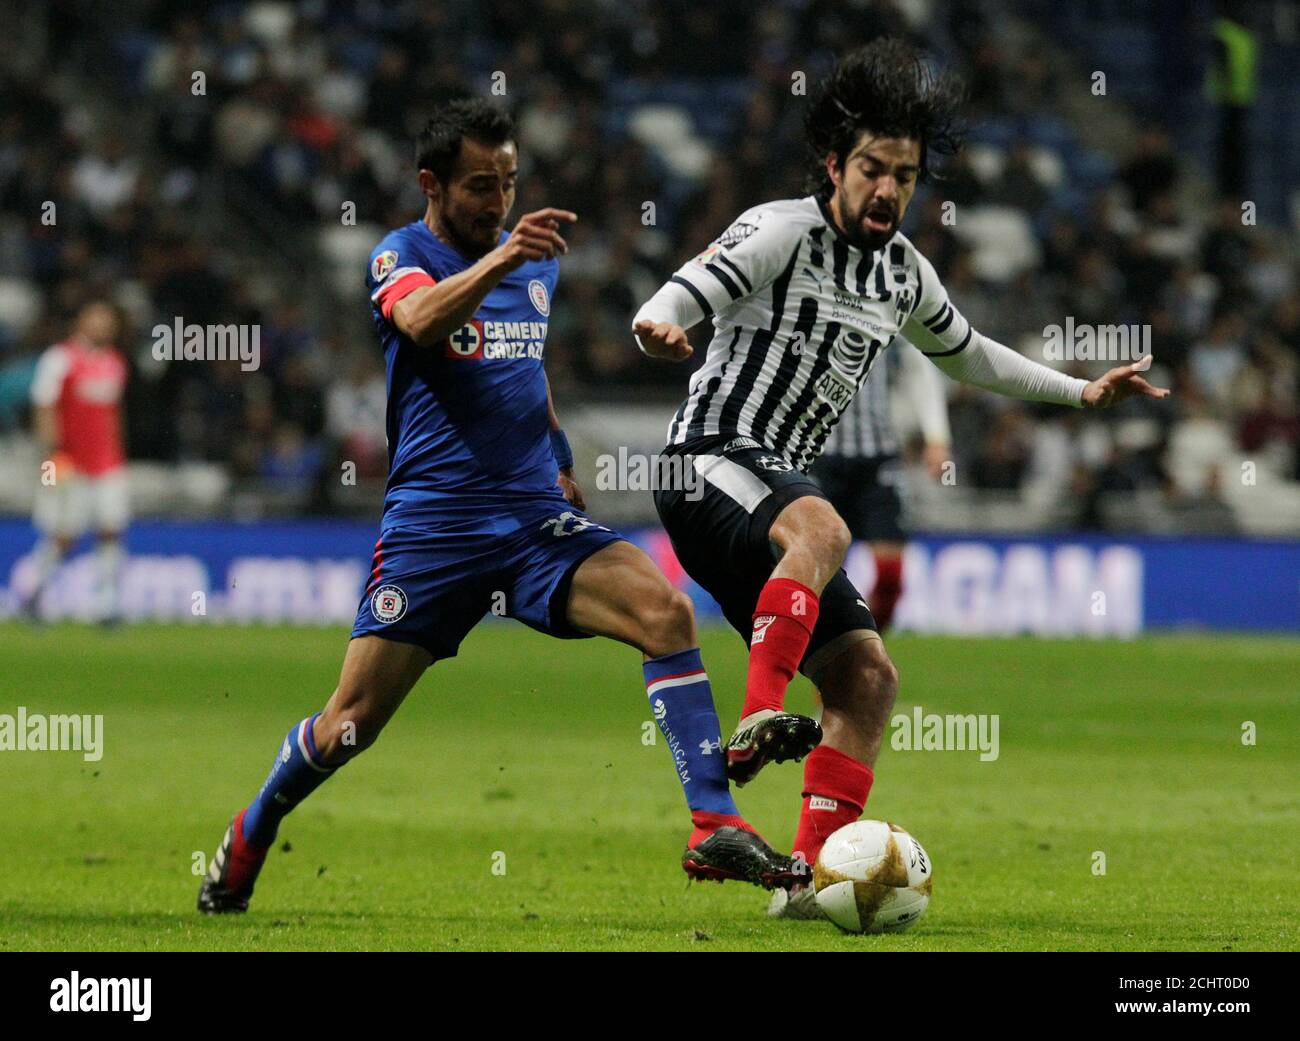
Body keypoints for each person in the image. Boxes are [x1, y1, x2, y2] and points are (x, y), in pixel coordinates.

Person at [198, 99, 805, 915]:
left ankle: (712, 823)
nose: (499, 202)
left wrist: (558, 458)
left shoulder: (534, 263)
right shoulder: (399, 254)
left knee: (664, 612)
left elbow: (528, 369)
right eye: (481, 185)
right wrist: (502, 258)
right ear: (431, 183)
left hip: (531, 519)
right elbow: (418, 321)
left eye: (509, 183)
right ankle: (253, 827)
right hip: (435, 528)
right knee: (350, 724)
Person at [631, 40, 1167, 917]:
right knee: (826, 528)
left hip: (770, 498)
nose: (888, 190)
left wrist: (1080, 389)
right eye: (873, 169)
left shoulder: (902, 271)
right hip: (706, 462)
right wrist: (660, 324)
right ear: (835, 166)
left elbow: (975, 358)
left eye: (905, 176)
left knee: (869, 679)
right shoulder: (780, 230)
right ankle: (757, 719)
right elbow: (680, 292)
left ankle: (801, 889)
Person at [811, 337, 951, 630]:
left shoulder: (889, 300)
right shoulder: (807, 302)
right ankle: (822, 650)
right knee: (817, 572)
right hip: (818, 457)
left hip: (880, 459)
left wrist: (936, 436)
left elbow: (919, 365)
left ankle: (866, 650)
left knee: (890, 576)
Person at [23, 300, 130, 625]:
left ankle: (107, 607)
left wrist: (120, 453)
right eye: (96, 319)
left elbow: (113, 416)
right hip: (69, 461)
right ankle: (34, 592)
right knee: (65, 533)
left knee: (112, 528)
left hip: (109, 463)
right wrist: (51, 460)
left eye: (107, 321)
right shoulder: (60, 358)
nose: (103, 326)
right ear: (81, 322)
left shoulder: (114, 362)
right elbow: (43, 407)